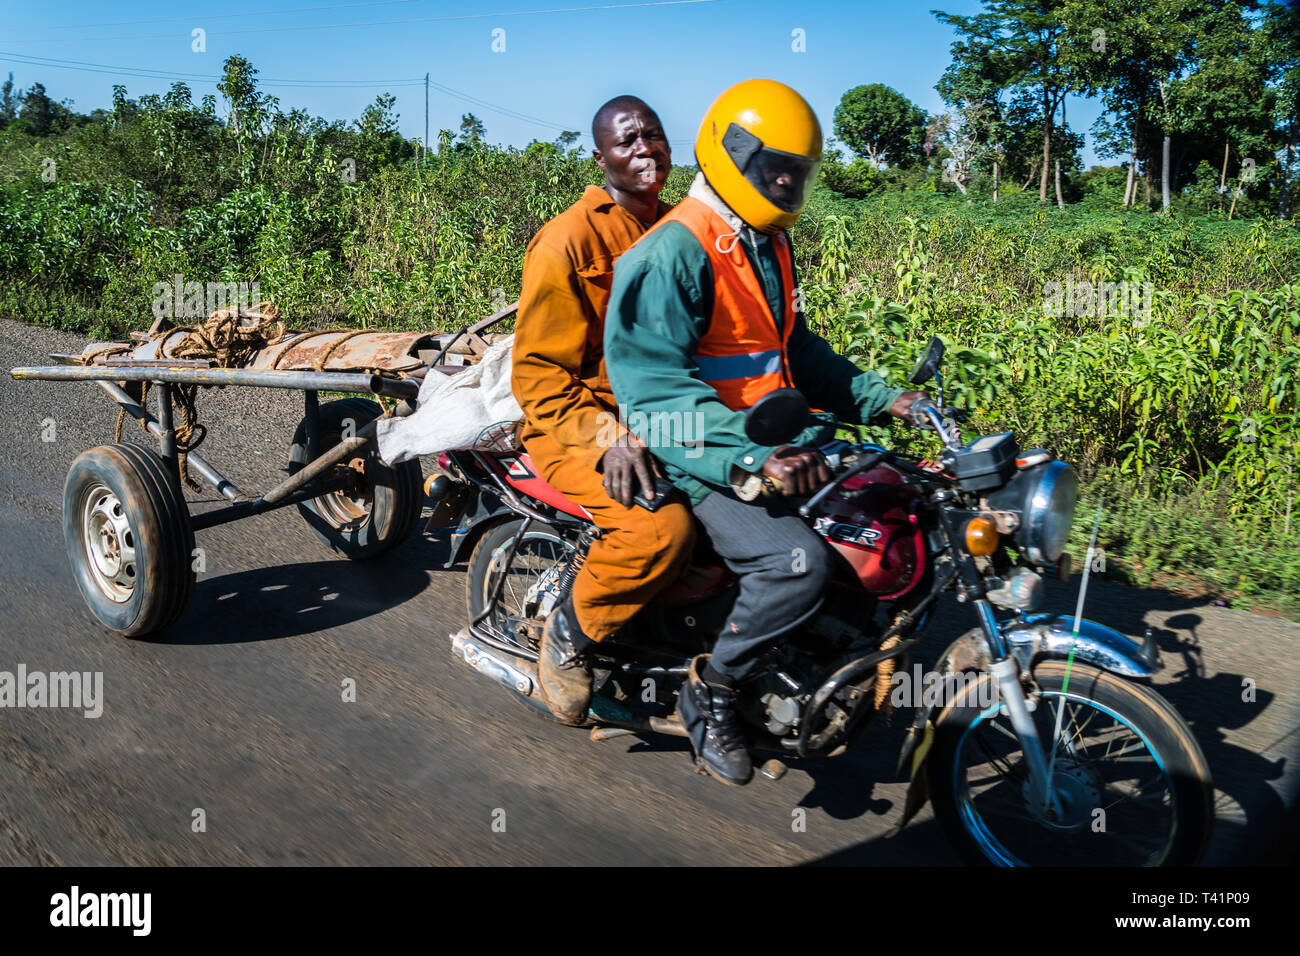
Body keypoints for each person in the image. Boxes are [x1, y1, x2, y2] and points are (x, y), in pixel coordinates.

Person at [603, 79, 929, 784]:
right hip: (700, 455)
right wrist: (755, 455)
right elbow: (657, 399)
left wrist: (886, 400)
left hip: (775, 441)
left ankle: (815, 660)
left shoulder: (764, 243)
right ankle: (712, 692)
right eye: (774, 168)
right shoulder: (669, 255)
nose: (786, 182)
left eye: (797, 171)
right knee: (795, 564)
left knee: (893, 504)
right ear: (732, 154)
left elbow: (797, 353)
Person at [511, 95, 695, 725]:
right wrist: (607, 435)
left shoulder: (681, 230)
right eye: (627, 142)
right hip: (580, 427)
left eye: (655, 135)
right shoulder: (567, 241)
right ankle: (568, 634)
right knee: (659, 530)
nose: (645, 149)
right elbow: (537, 375)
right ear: (600, 157)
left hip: (670, 420)